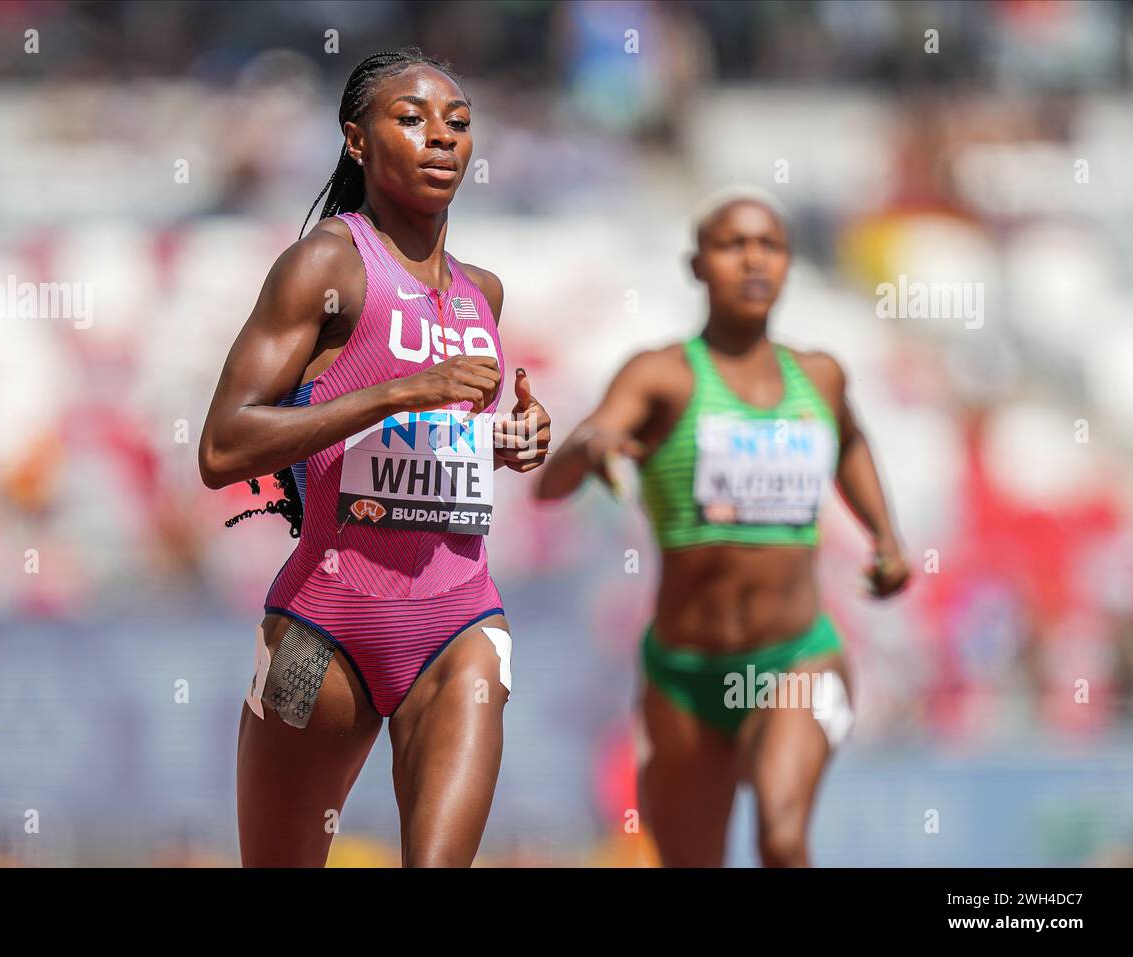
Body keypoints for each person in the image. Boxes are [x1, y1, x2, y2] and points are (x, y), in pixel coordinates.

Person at [199, 48, 551, 867]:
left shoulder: (481, 293)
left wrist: (509, 441)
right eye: (412, 118)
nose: (440, 139)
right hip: (323, 628)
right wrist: (400, 391)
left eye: (458, 125)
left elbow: (438, 446)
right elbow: (222, 446)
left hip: (459, 618)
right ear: (356, 141)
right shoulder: (327, 266)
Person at [536, 187, 909, 866]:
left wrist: (887, 536)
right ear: (697, 265)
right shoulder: (662, 376)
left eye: (770, 244)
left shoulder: (818, 377)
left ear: (790, 265)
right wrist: (591, 446)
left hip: (796, 659)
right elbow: (551, 484)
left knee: (782, 837)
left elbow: (851, 441)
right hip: (684, 674)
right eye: (732, 244)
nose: (753, 259)